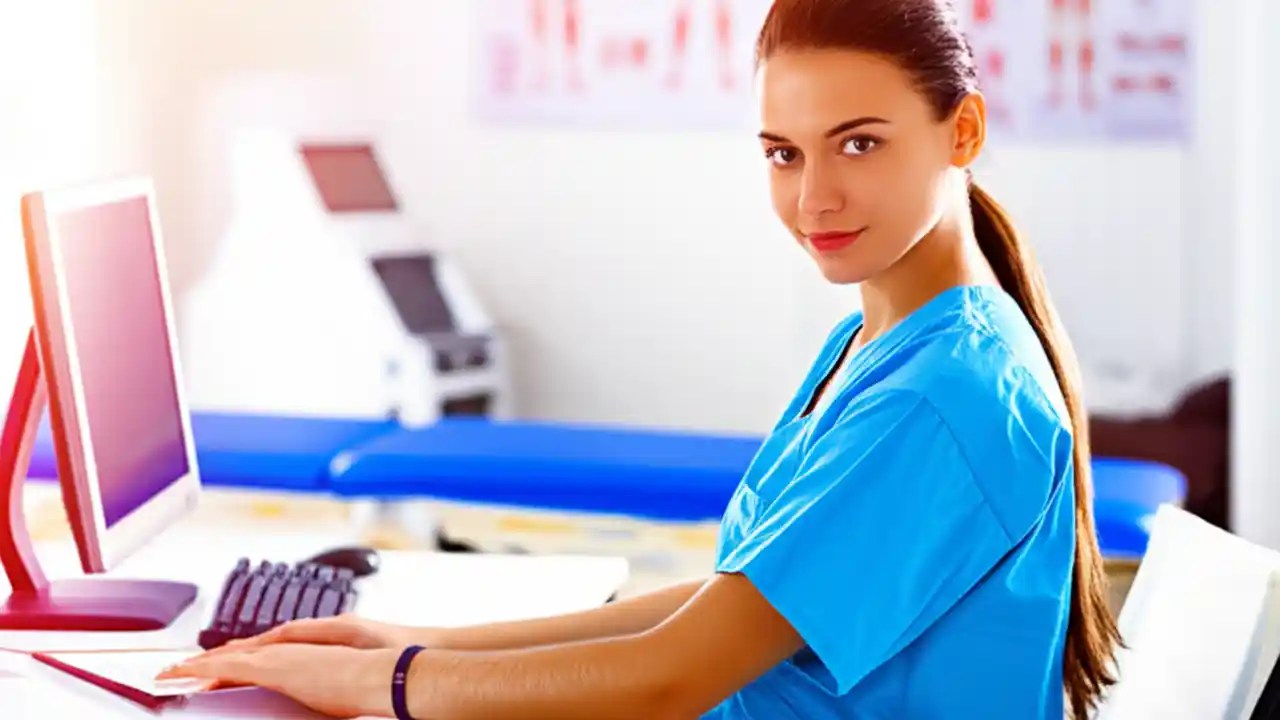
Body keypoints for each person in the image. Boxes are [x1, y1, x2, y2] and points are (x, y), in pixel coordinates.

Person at [160, 0, 1121, 717]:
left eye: (858, 144)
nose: (814, 197)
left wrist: (385, 682)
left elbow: (673, 676)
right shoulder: (879, 340)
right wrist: (414, 643)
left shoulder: (942, 400)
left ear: (963, 130)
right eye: (783, 154)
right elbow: (731, 609)